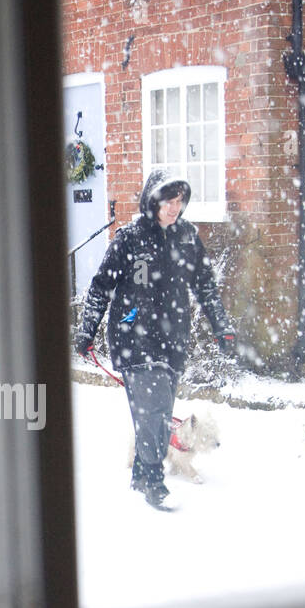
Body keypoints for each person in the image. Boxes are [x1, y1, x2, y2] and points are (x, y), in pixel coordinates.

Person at [73, 165, 235, 509]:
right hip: (134, 336)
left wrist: (221, 326)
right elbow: (102, 286)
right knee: (156, 411)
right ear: (152, 200)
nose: (174, 208)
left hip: (173, 339)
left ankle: (139, 477)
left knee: (153, 413)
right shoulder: (130, 239)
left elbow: (205, 286)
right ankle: (152, 479)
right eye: (168, 200)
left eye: (179, 201)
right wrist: (86, 331)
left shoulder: (188, 237)